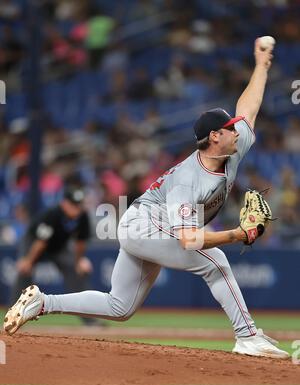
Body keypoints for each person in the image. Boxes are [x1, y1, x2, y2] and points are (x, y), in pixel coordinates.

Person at [4, 39, 289, 358]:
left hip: (150, 225)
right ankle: (247, 336)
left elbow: (247, 109)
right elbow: (188, 241)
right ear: (214, 137)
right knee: (216, 262)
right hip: (145, 225)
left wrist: (261, 66)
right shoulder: (188, 182)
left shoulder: (231, 149)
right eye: (230, 129)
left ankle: (41, 302)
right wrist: (237, 235)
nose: (238, 131)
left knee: (119, 306)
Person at [9, 186, 99, 327]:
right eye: (73, 204)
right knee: (25, 270)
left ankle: (90, 321)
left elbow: (80, 243)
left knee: (76, 272)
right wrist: (27, 261)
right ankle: (13, 316)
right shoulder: (53, 214)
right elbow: (41, 242)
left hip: (58, 247)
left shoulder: (83, 217)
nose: (77, 208)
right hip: (33, 243)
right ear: (64, 203)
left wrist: (79, 261)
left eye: (79, 205)